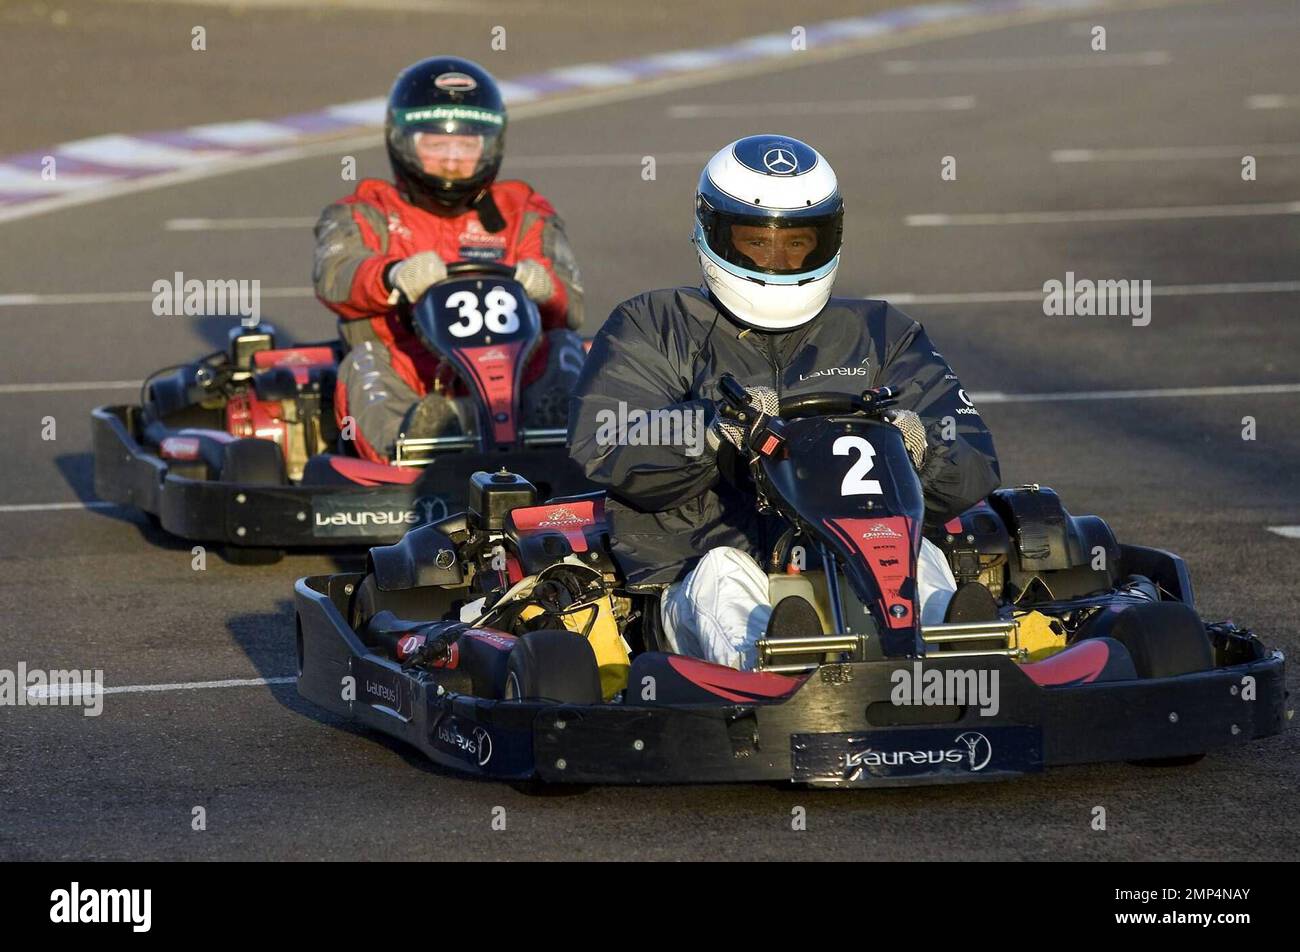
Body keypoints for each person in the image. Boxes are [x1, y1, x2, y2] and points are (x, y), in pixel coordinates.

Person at [569, 134, 1000, 670]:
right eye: (757, 242)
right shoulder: (652, 327)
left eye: (797, 242)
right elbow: (605, 441)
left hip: (863, 556)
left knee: (918, 555)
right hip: (700, 562)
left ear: (829, 238)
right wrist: (710, 430)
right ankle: (777, 669)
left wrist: (920, 448)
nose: (779, 258)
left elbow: (975, 456)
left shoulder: (881, 333)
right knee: (724, 577)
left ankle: (962, 657)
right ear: (715, 235)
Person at [313, 56, 585, 463]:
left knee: (565, 346)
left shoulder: (522, 209)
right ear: (403, 141)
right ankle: (413, 447)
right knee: (365, 359)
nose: (453, 161)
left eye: (466, 145)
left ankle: (567, 449)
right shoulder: (365, 211)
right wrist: (392, 276)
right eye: (437, 145)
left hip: (515, 373)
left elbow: (571, 306)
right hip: (411, 372)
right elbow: (334, 276)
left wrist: (547, 287)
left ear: (491, 144)